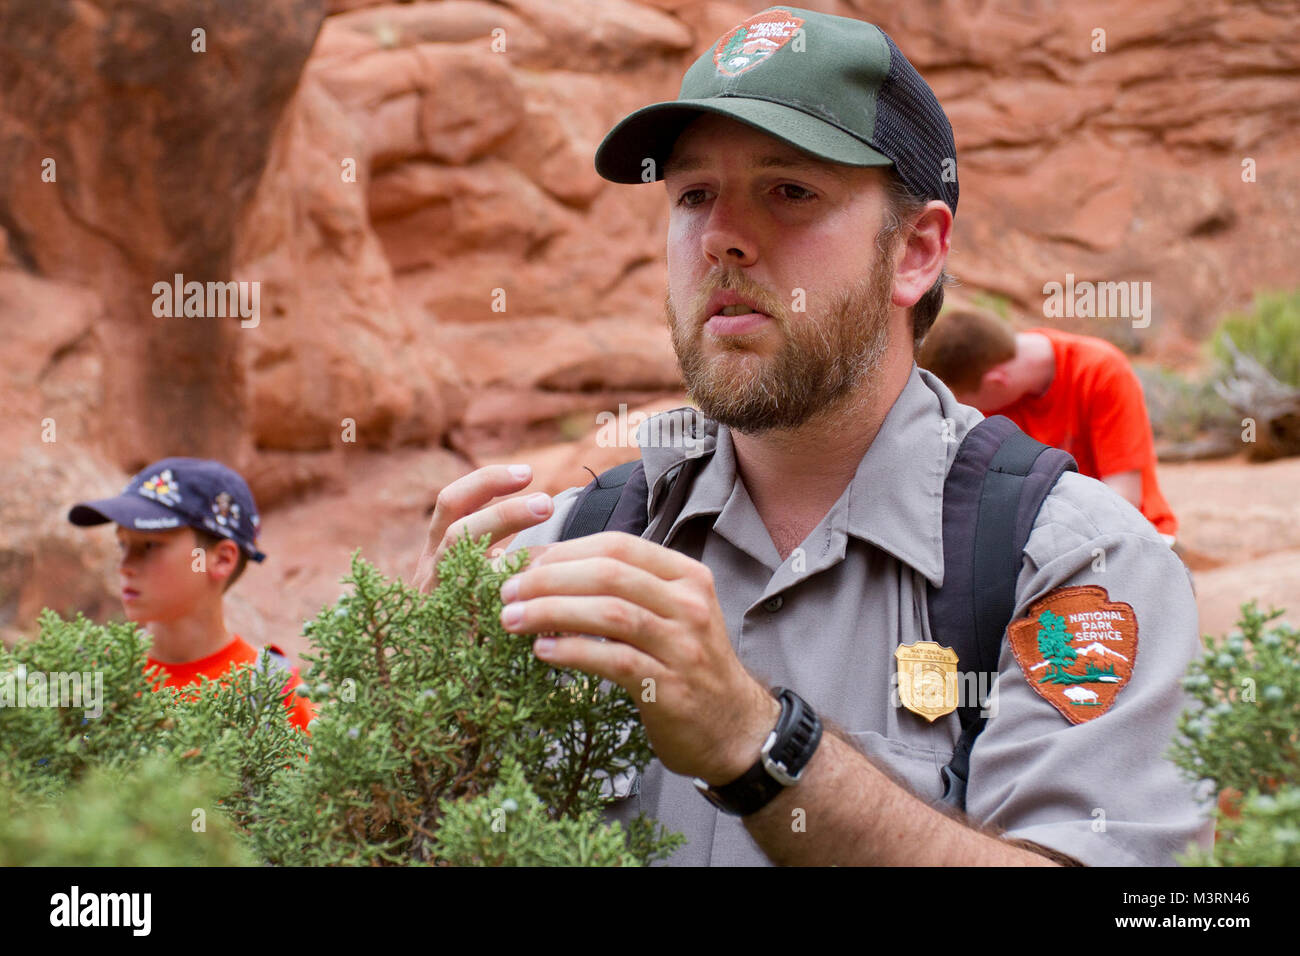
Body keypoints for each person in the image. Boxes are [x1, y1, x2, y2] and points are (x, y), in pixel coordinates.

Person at [412, 7, 1212, 866]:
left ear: (915, 251)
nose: (722, 237)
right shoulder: (561, 551)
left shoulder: (1073, 568)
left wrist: (759, 746)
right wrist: (415, 715)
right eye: (693, 196)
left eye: (790, 190)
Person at [68, 457, 315, 733]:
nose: (125, 566)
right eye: (123, 544)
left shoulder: (275, 693)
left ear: (221, 559)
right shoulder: (89, 675)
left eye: (149, 545)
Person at [918, 307, 1179, 542]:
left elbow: (1123, 497)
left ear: (997, 381)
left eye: (966, 402)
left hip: (1128, 535)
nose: (968, 412)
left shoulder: (1101, 373)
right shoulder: (987, 372)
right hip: (1037, 539)